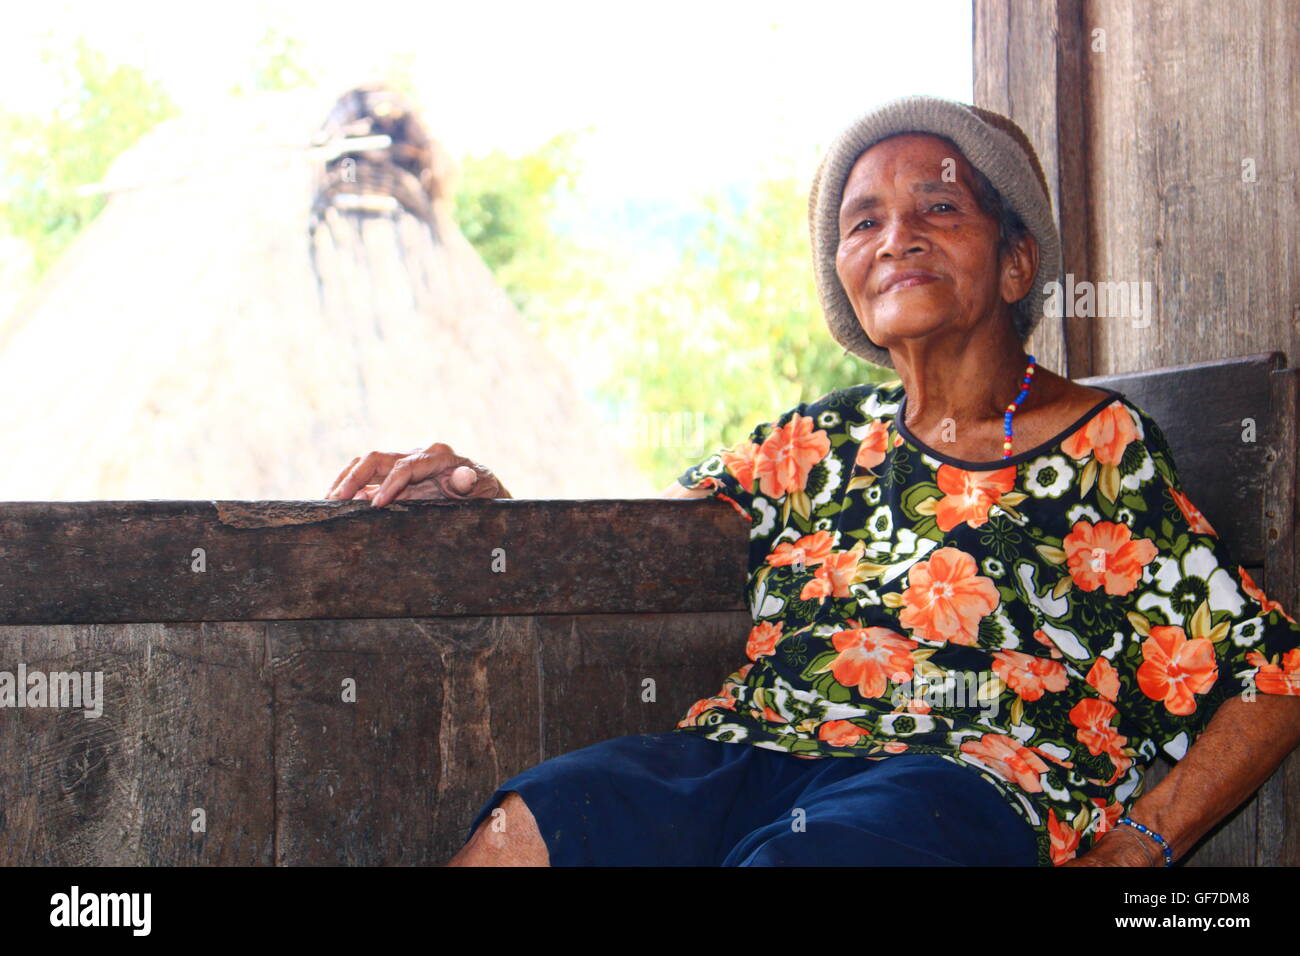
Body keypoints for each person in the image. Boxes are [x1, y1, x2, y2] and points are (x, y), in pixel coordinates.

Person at [325, 95, 1300, 867]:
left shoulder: (1092, 443)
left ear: (1014, 264)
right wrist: (478, 496)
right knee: (544, 817)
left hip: (954, 783)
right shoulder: (814, 439)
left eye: (940, 207)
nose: (896, 236)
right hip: (750, 753)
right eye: (863, 218)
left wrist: (1141, 841)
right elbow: (627, 538)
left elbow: (1275, 673)